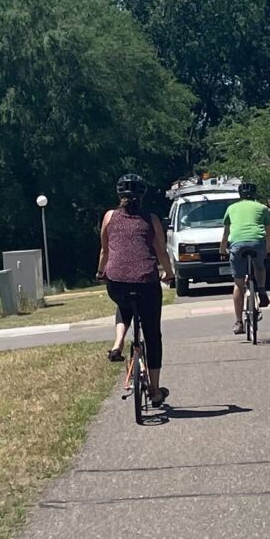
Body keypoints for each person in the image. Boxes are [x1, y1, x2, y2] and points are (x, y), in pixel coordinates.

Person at [97, 172, 171, 407]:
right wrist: (169, 273)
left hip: (116, 282)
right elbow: (161, 252)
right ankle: (156, 390)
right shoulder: (151, 219)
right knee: (152, 334)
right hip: (146, 282)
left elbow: (104, 252)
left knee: (124, 304)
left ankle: (117, 343)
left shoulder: (109, 216)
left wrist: (101, 272)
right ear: (143, 195)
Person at [223, 181, 270, 333]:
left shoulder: (231, 208)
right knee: (260, 266)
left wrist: (222, 249)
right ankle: (262, 290)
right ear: (255, 195)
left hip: (237, 244)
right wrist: (269, 250)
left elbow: (226, 232)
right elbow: (268, 231)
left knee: (238, 284)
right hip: (257, 242)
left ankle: (239, 322)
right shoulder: (262, 208)